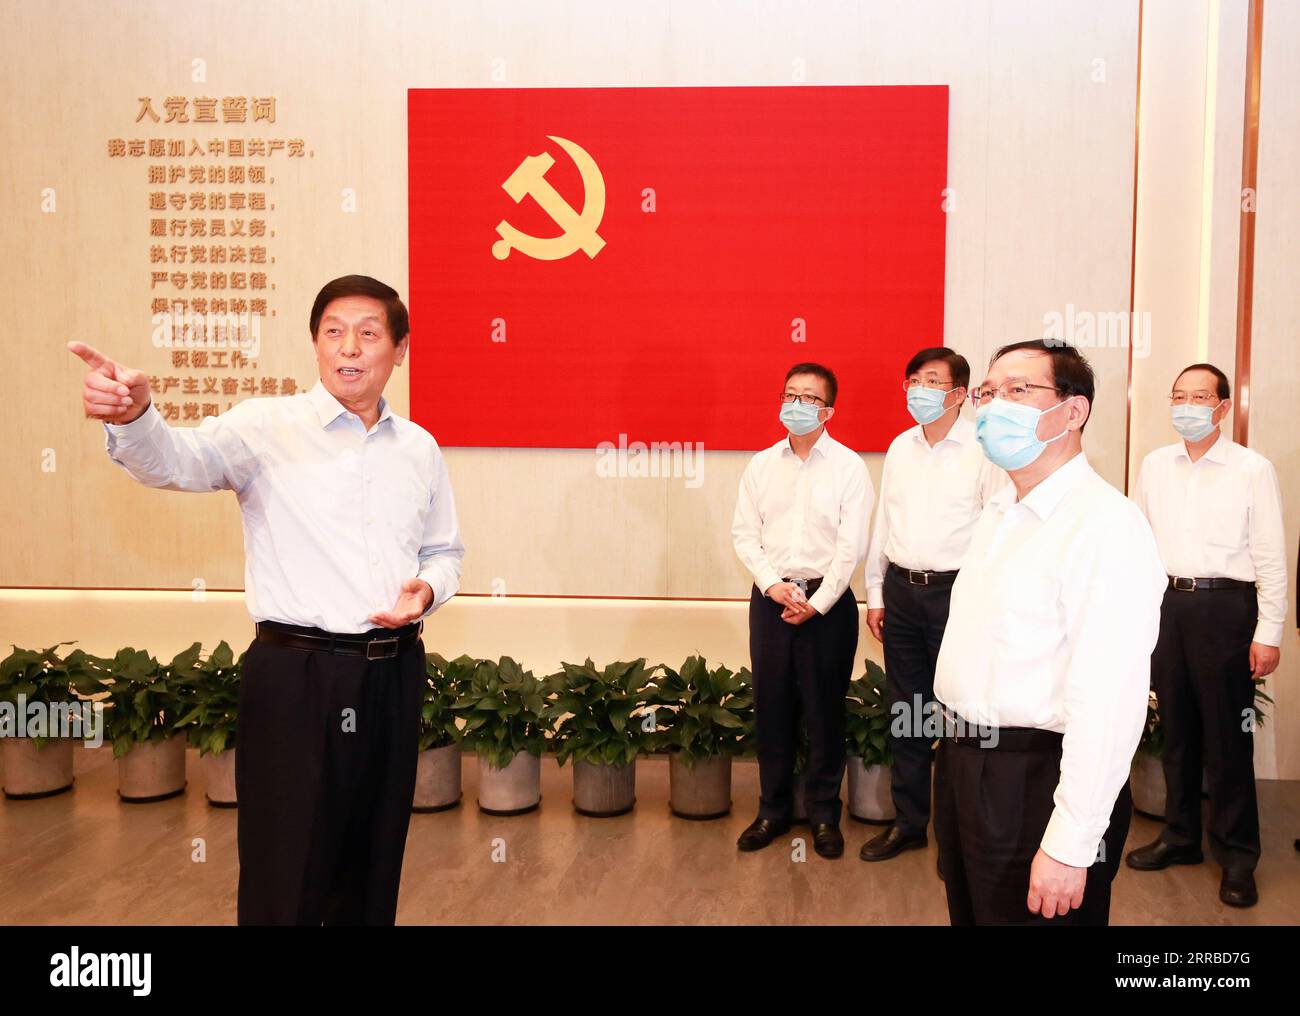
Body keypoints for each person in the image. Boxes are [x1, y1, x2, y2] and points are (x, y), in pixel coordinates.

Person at [69, 274, 464, 925]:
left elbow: (444, 552)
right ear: (314, 343)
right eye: (334, 331)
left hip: (392, 674)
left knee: (371, 859)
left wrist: (428, 589)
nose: (350, 348)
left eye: (369, 333)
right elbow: (178, 460)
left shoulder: (418, 449)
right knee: (288, 862)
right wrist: (135, 416)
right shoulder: (266, 427)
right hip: (297, 678)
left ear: (400, 349)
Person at [932, 339, 1166, 924]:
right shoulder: (1000, 511)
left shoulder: (1106, 525)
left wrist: (1070, 842)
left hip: (1034, 778)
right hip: (966, 765)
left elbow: (1108, 702)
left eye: (1017, 390)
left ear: (1073, 411)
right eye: (987, 392)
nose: (991, 407)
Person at [1124, 363, 1286, 908]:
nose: (1186, 405)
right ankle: (1180, 835)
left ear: (1221, 407)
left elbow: (1271, 559)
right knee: (1176, 732)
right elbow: (1138, 544)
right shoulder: (1154, 465)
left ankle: (1238, 857)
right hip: (1168, 605)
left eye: (1199, 397)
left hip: (1226, 609)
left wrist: (1269, 631)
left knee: (1227, 741)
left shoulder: (1251, 469)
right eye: (1178, 395)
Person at [860, 347, 1004, 865]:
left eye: (931, 381)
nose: (918, 390)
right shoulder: (900, 447)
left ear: (960, 395)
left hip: (957, 595)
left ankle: (959, 835)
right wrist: (875, 592)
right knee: (910, 711)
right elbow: (885, 524)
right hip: (901, 594)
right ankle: (910, 823)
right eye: (913, 380)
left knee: (961, 716)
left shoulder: (984, 450)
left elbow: (995, 530)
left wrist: (983, 603)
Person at [732, 362, 873, 859]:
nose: (796, 405)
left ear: (829, 410)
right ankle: (771, 810)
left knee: (823, 710)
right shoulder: (761, 465)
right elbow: (744, 535)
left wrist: (815, 603)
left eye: (809, 398)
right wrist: (772, 586)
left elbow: (851, 547)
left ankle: (822, 814)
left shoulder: (850, 467)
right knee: (771, 707)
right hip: (770, 600)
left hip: (828, 605)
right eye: (789, 394)